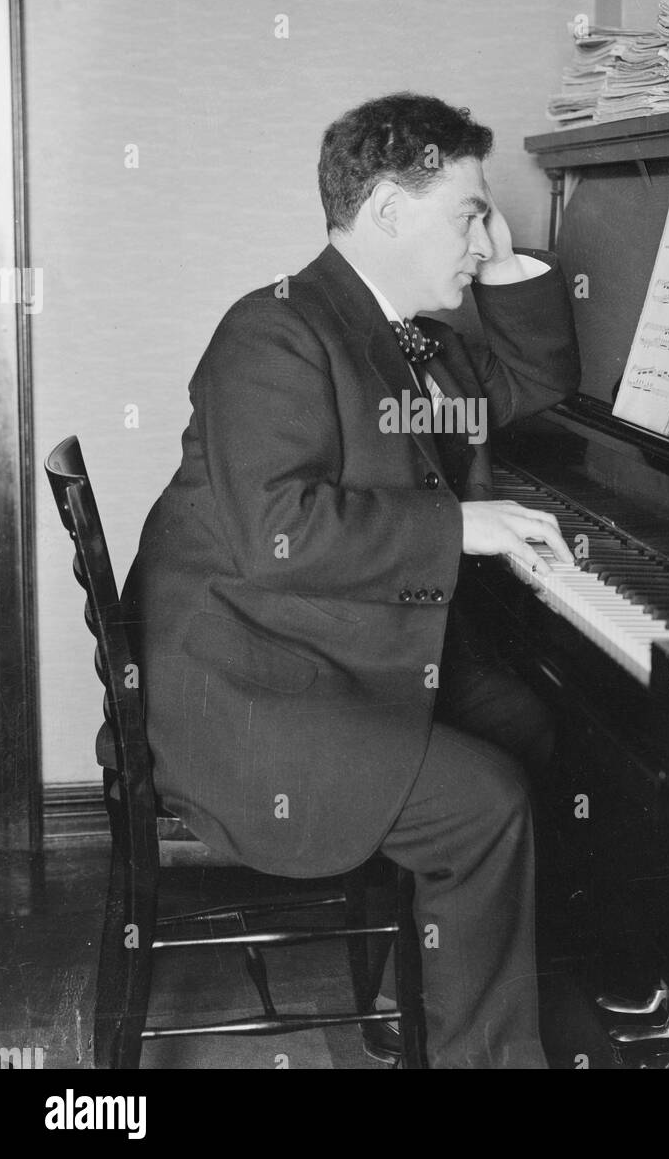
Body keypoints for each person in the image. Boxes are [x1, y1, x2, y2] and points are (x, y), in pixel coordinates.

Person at [119, 92, 581, 1068]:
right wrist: (461, 523)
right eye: (468, 213)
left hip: (314, 645)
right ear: (384, 214)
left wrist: (501, 264)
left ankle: (448, 986)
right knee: (484, 798)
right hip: (249, 694)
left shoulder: (401, 333)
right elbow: (278, 531)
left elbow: (525, 387)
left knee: (532, 727)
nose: (481, 234)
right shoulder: (272, 332)